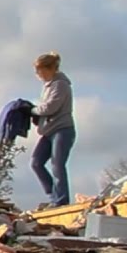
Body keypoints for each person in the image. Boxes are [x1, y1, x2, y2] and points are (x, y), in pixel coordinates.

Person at [29, 51, 75, 207]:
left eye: (40, 71)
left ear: (50, 69)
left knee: (57, 164)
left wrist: (32, 110)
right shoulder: (47, 86)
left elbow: (50, 107)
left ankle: (61, 200)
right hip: (48, 132)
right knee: (36, 162)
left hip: (62, 130)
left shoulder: (60, 84)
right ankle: (53, 195)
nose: (38, 74)